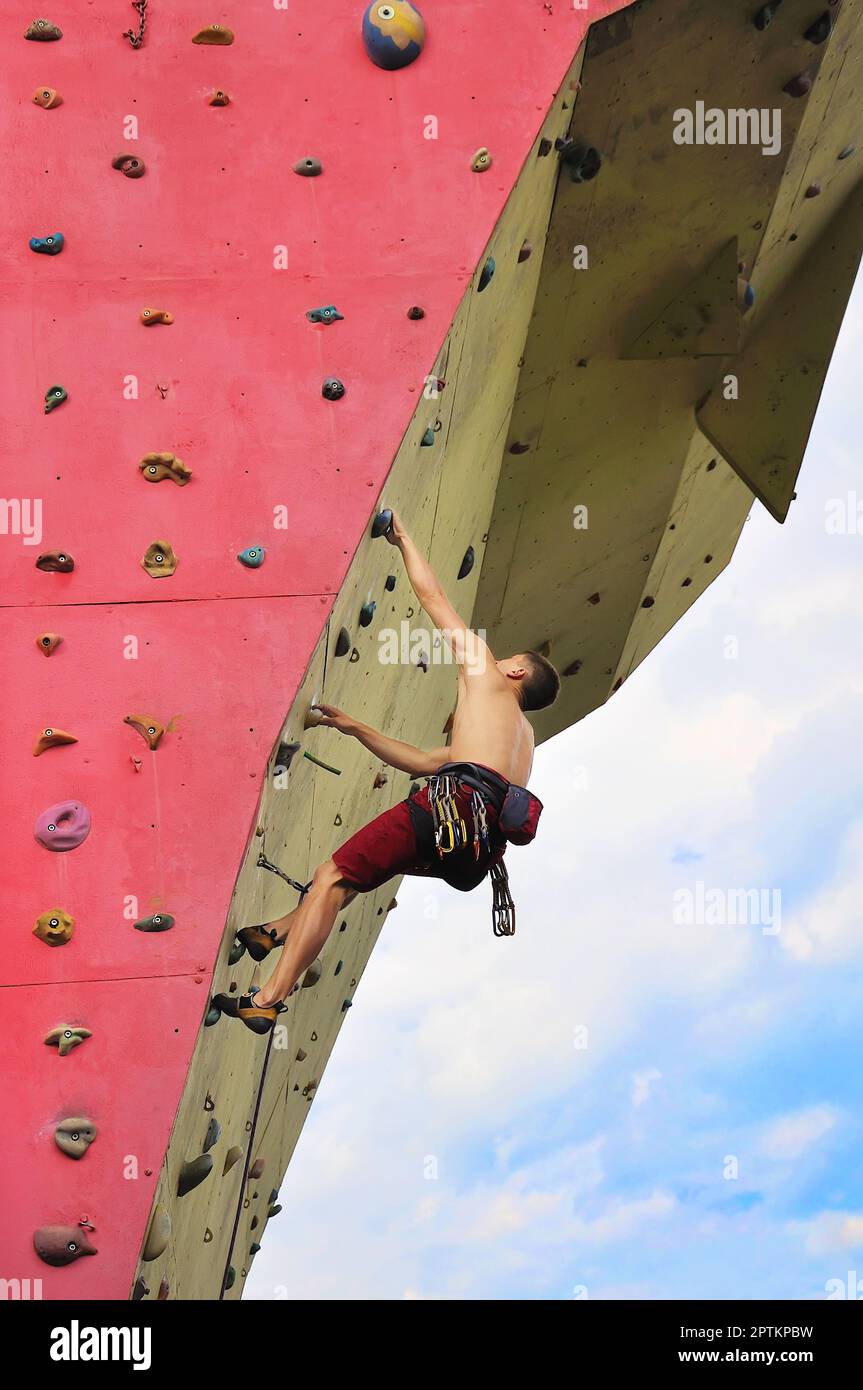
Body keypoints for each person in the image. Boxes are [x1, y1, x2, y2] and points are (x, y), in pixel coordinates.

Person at [214, 509, 560, 1034]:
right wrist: (355, 727)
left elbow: (435, 599)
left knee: (332, 876)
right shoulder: (521, 746)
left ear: (515, 672)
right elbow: (422, 761)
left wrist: (402, 538)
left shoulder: (486, 675)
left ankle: (267, 998)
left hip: (446, 813)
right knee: (361, 874)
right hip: (475, 850)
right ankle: (272, 932)